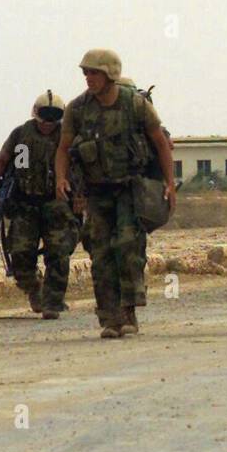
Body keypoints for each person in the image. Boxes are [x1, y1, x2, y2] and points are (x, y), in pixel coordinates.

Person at [56, 49, 176, 339]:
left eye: (94, 73)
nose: (88, 78)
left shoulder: (135, 105)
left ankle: (128, 312)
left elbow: (160, 144)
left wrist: (169, 183)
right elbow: (63, 147)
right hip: (96, 192)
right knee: (100, 253)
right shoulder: (78, 109)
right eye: (85, 73)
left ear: (110, 74)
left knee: (127, 247)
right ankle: (109, 317)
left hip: (129, 189)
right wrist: (61, 178)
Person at [0, 91, 80, 319]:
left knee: (59, 254)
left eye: (54, 116)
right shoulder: (21, 135)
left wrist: (80, 197)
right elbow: (2, 160)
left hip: (56, 204)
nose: (48, 122)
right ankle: (34, 288)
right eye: (44, 115)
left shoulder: (68, 136)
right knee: (19, 254)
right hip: (25, 204)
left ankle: (53, 301)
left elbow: (80, 168)